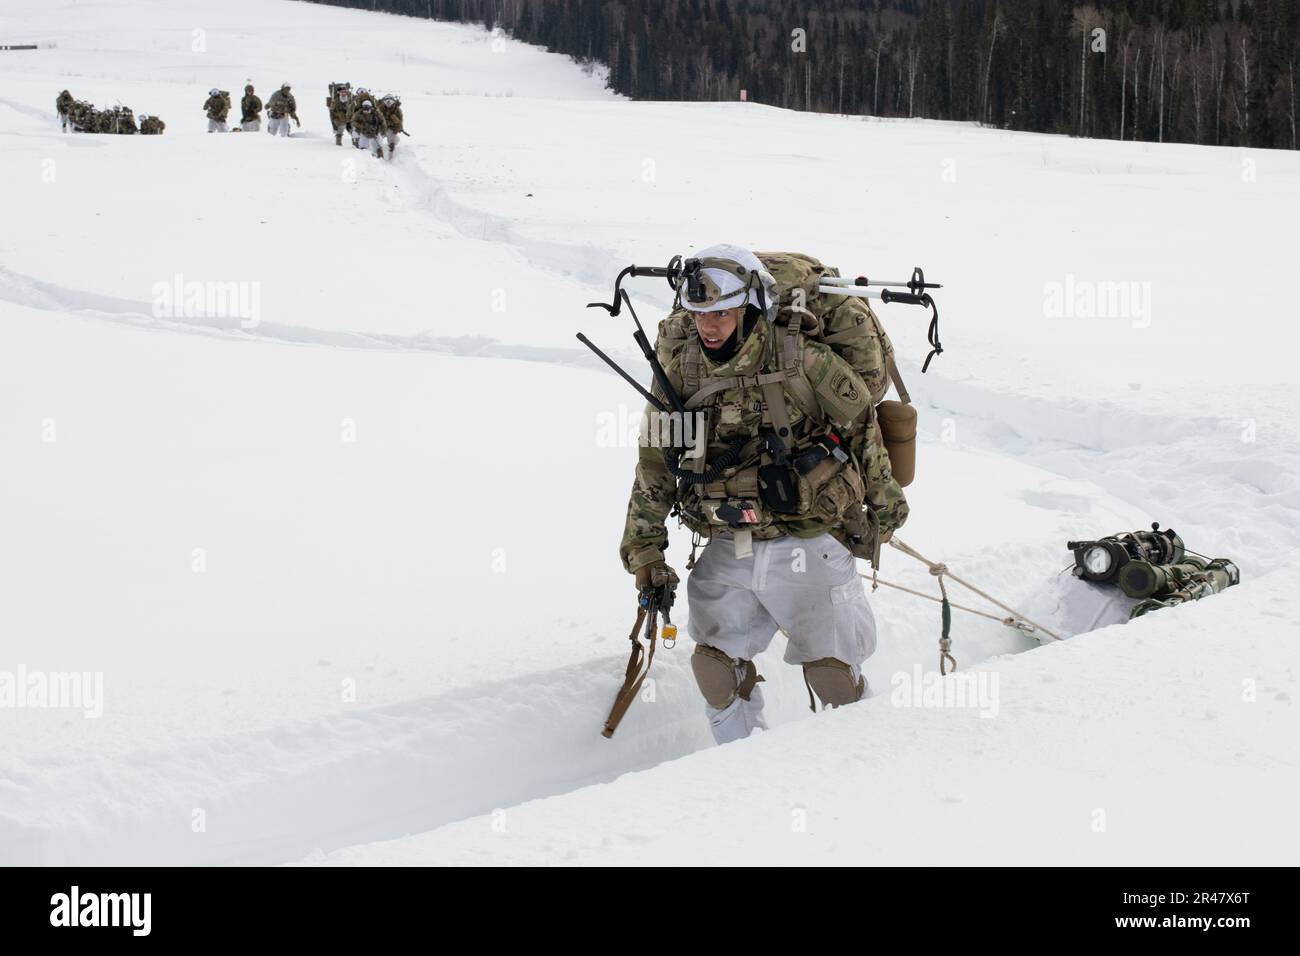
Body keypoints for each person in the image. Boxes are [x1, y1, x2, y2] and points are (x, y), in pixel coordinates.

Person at [619, 245, 890, 745]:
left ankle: (860, 771)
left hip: (806, 539)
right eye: (701, 314)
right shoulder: (681, 364)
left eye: (722, 312)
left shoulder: (801, 357)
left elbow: (861, 427)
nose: (711, 326)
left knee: (834, 675)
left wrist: (883, 509)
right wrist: (645, 549)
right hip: (729, 542)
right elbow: (654, 458)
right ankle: (741, 774)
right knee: (717, 670)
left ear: (750, 307)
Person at [376, 94, 403, 158]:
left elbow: (400, 123)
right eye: (386, 100)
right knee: (377, 141)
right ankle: (377, 155)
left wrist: (394, 120)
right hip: (381, 129)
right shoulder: (379, 109)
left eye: (390, 100)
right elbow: (376, 120)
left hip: (391, 129)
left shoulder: (397, 110)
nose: (388, 102)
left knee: (392, 143)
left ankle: (391, 157)